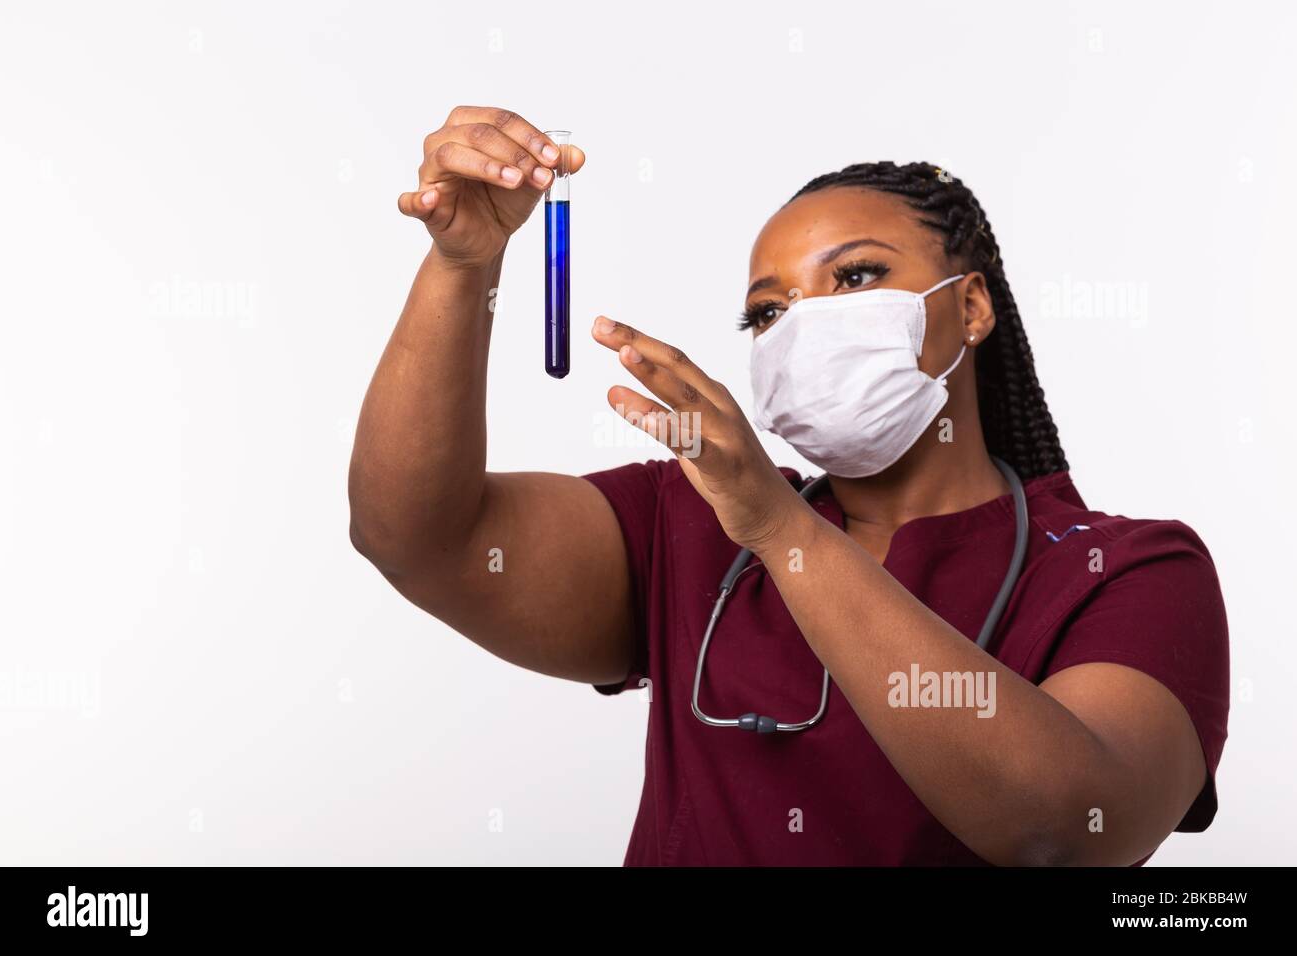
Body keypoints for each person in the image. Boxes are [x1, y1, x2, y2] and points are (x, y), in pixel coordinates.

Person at [348, 106, 1229, 866]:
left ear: (970, 309)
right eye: (769, 312)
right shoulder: (690, 525)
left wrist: (782, 530)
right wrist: (463, 268)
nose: (806, 327)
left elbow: (1063, 831)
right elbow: (419, 535)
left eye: (856, 277)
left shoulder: (1128, 572)